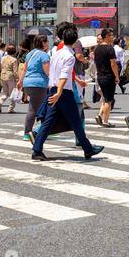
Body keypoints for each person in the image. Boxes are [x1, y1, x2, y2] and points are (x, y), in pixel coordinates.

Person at [32, 24, 104, 162]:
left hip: (53, 88)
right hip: (63, 92)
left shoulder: (56, 53)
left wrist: (54, 90)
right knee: (76, 121)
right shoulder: (69, 56)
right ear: (75, 40)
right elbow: (64, 75)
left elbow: (53, 73)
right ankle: (88, 149)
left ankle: (37, 149)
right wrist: (59, 92)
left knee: (49, 121)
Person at [20, 35, 52, 141]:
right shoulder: (44, 55)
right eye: (47, 41)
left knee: (39, 108)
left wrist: (20, 81)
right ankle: (29, 132)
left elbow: (24, 69)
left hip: (28, 83)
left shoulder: (30, 53)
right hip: (39, 84)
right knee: (35, 109)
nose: (48, 43)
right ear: (43, 43)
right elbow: (48, 72)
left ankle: (43, 130)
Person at [92, 29, 120, 127]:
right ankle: (106, 121)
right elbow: (113, 64)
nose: (113, 37)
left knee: (105, 97)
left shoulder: (97, 49)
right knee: (109, 100)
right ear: (107, 36)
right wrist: (117, 76)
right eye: (111, 35)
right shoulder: (110, 48)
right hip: (108, 76)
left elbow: (96, 62)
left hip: (100, 76)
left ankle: (100, 115)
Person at [0, 44, 22, 114]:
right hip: (10, 77)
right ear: (14, 52)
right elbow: (15, 71)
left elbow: (0, 67)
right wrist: (18, 79)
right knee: (12, 93)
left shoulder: (2, 58)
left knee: (5, 92)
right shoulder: (14, 60)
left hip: (3, 75)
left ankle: (0, 102)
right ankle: (11, 108)